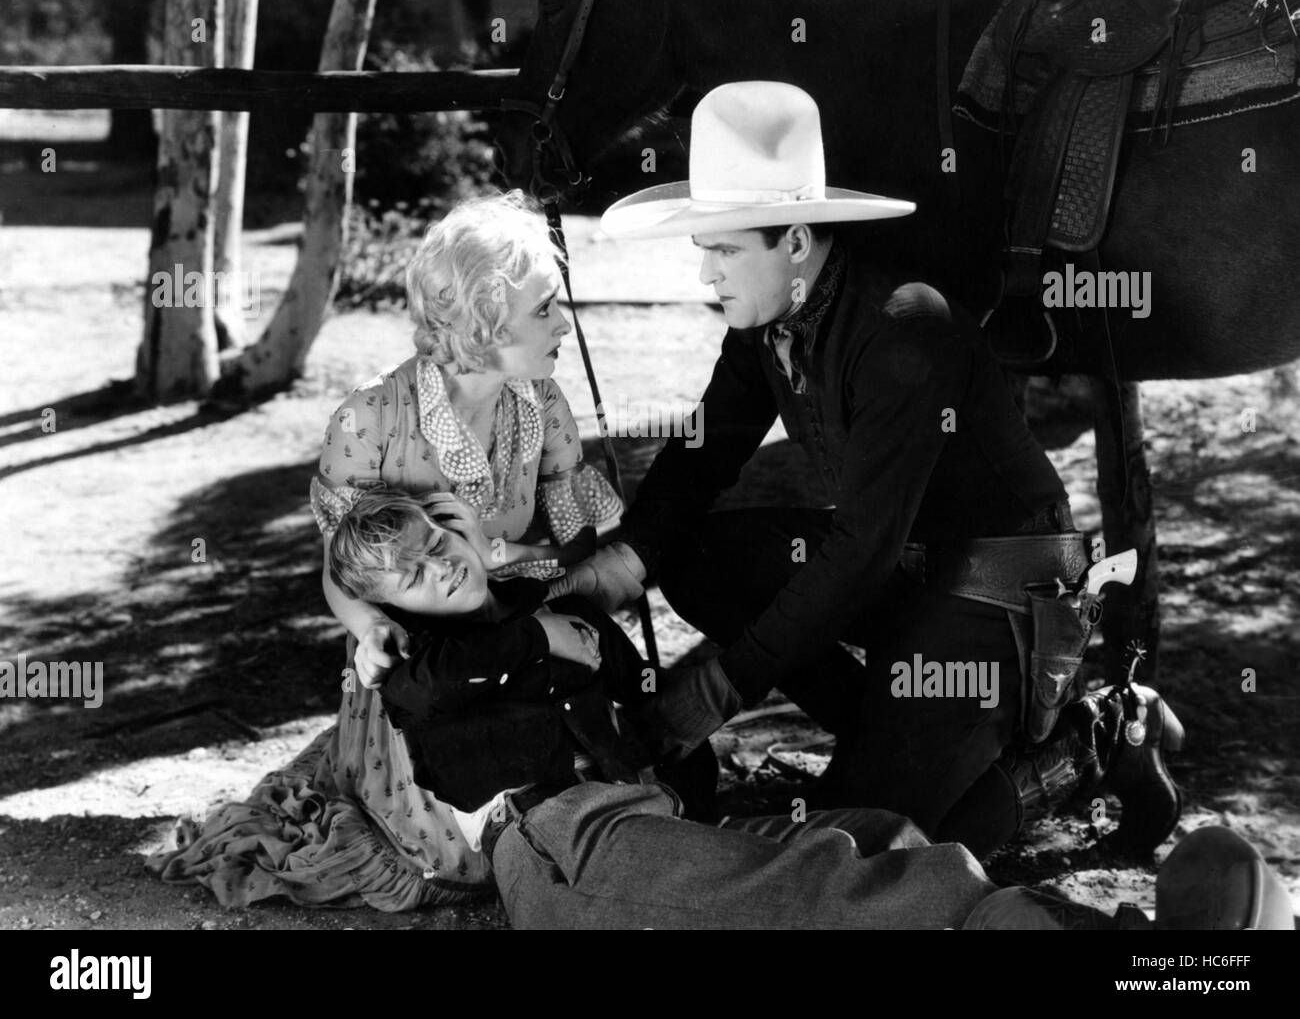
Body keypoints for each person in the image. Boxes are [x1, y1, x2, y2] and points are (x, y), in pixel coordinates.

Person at [549, 81, 1183, 859]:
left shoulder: (903, 327)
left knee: (879, 845)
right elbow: (706, 445)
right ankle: (899, 727)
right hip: (904, 570)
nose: (706, 276)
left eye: (723, 250)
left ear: (793, 240)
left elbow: (859, 552)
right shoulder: (769, 316)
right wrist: (628, 555)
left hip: (1003, 584)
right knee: (697, 556)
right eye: (703, 250)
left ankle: (1097, 737)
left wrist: (714, 688)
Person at [327, 485, 1293, 931]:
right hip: (562, 853)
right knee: (817, 896)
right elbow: (440, 699)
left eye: (431, 538)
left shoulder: (529, 591)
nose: (433, 564)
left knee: (872, 834)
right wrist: (525, 640)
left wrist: (496, 566)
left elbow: (562, 565)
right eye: (406, 573)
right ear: (386, 609)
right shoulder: (414, 671)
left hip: (650, 821)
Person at [150, 192, 624, 909]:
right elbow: (344, 572)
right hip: (422, 663)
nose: (565, 321)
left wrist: (518, 561)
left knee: (605, 785)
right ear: (482, 325)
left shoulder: (543, 401)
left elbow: (572, 537)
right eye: (544, 308)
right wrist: (370, 629)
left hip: (520, 622)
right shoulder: (371, 417)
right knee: (463, 851)